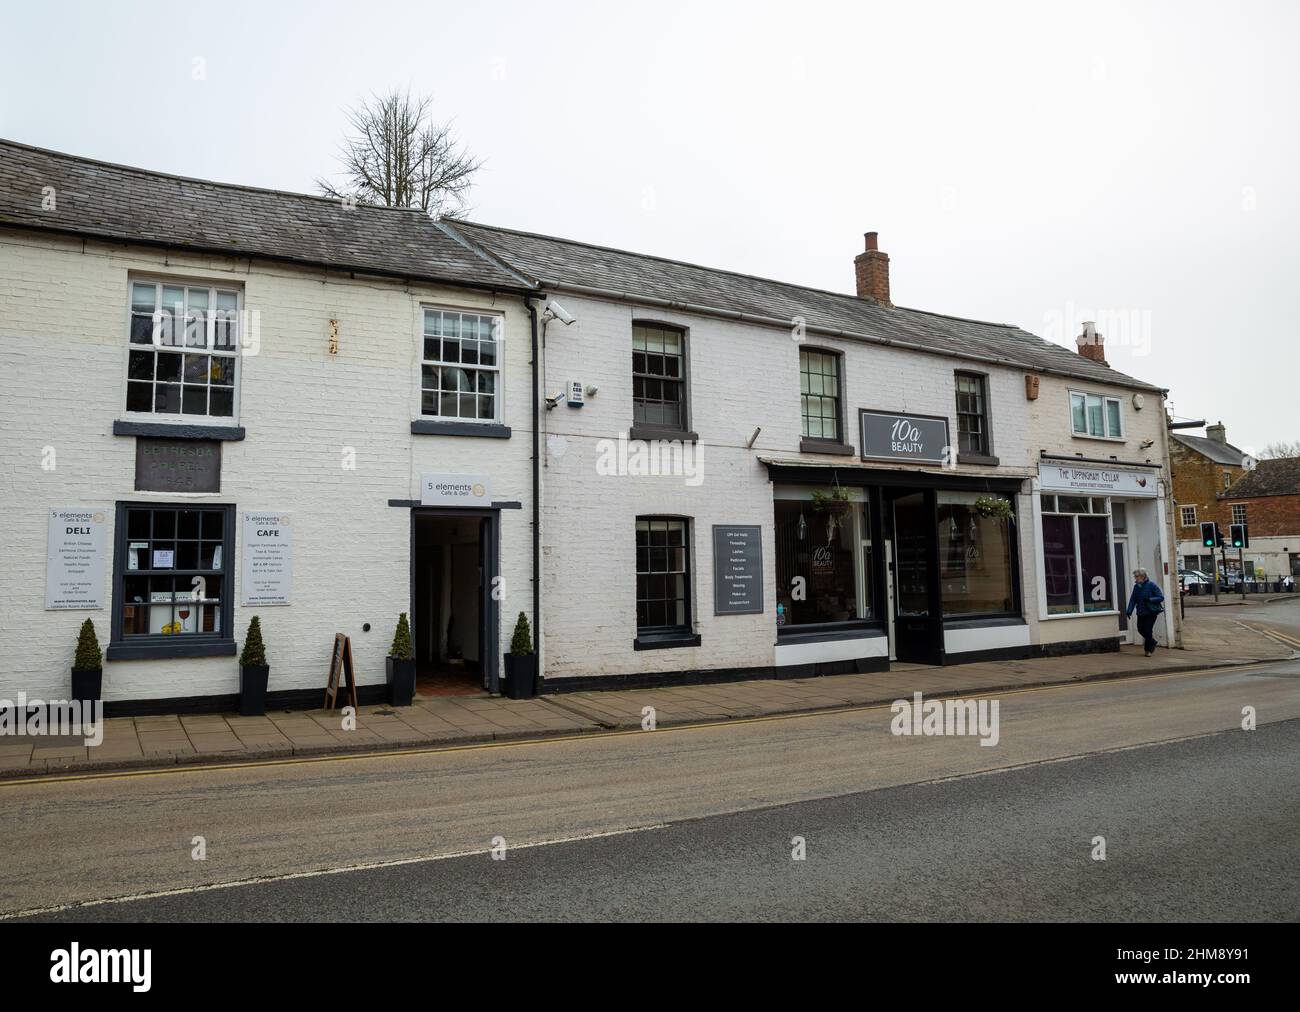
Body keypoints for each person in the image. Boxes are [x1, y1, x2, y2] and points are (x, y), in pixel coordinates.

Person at [1125, 568, 1165, 656]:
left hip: (1151, 612)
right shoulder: (1136, 587)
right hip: (1140, 612)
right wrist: (1129, 610)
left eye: (1136, 576)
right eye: (1135, 576)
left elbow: (1161, 597)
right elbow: (1133, 600)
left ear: (1143, 577)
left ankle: (1148, 650)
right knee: (1140, 629)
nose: (1135, 578)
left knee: (1147, 630)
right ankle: (1152, 641)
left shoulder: (1152, 585)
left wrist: (1150, 599)